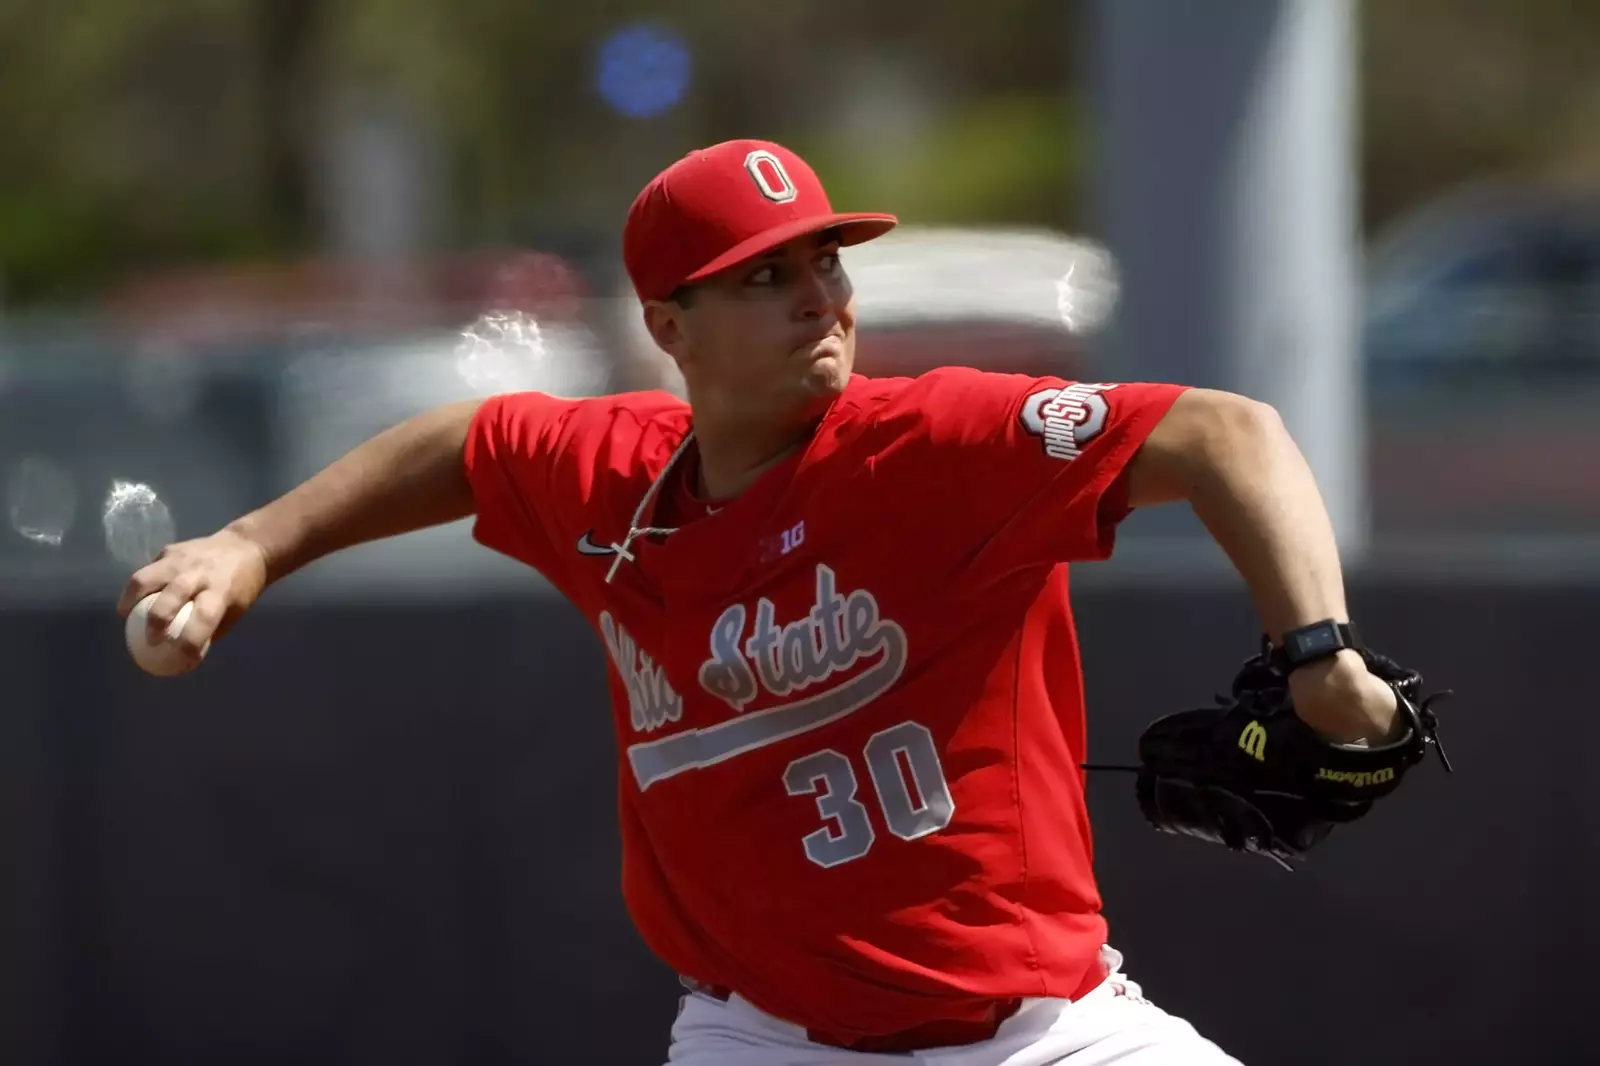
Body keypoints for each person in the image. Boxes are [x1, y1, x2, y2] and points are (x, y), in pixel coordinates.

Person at [119, 139, 1402, 1065]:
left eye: (824, 259)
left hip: (1044, 1033)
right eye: (759, 276)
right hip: (763, 1035)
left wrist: (1318, 653)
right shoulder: (610, 477)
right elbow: (470, 444)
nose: (815, 295)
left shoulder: (938, 444)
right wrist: (249, 546)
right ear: (667, 327)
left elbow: (1229, 432)